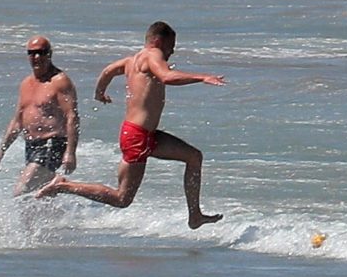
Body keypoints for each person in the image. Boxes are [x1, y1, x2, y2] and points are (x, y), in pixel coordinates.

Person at [36, 22, 225, 230]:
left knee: (194, 156)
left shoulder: (131, 60)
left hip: (144, 134)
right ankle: (63, 185)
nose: (172, 52)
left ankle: (195, 216)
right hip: (138, 137)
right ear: (158, 41)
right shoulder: (153, 55)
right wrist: (202, 77)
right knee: (122, 198)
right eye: (171, 46)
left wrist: (100, 92)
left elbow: (108, 70)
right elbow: (166, 76)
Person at [0, 36, 80, 195]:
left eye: (42, 52)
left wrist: (70, 152)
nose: (37, 57)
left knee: (21, 190)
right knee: (41, 195)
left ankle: (20, 220)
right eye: (32, 53)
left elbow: (72, 117)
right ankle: (60, 219)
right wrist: (2, 149)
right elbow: (18, 120)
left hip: (52, 144)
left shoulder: (60, 81)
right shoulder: (26, 83)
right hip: (31, 146)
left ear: (50, 54)